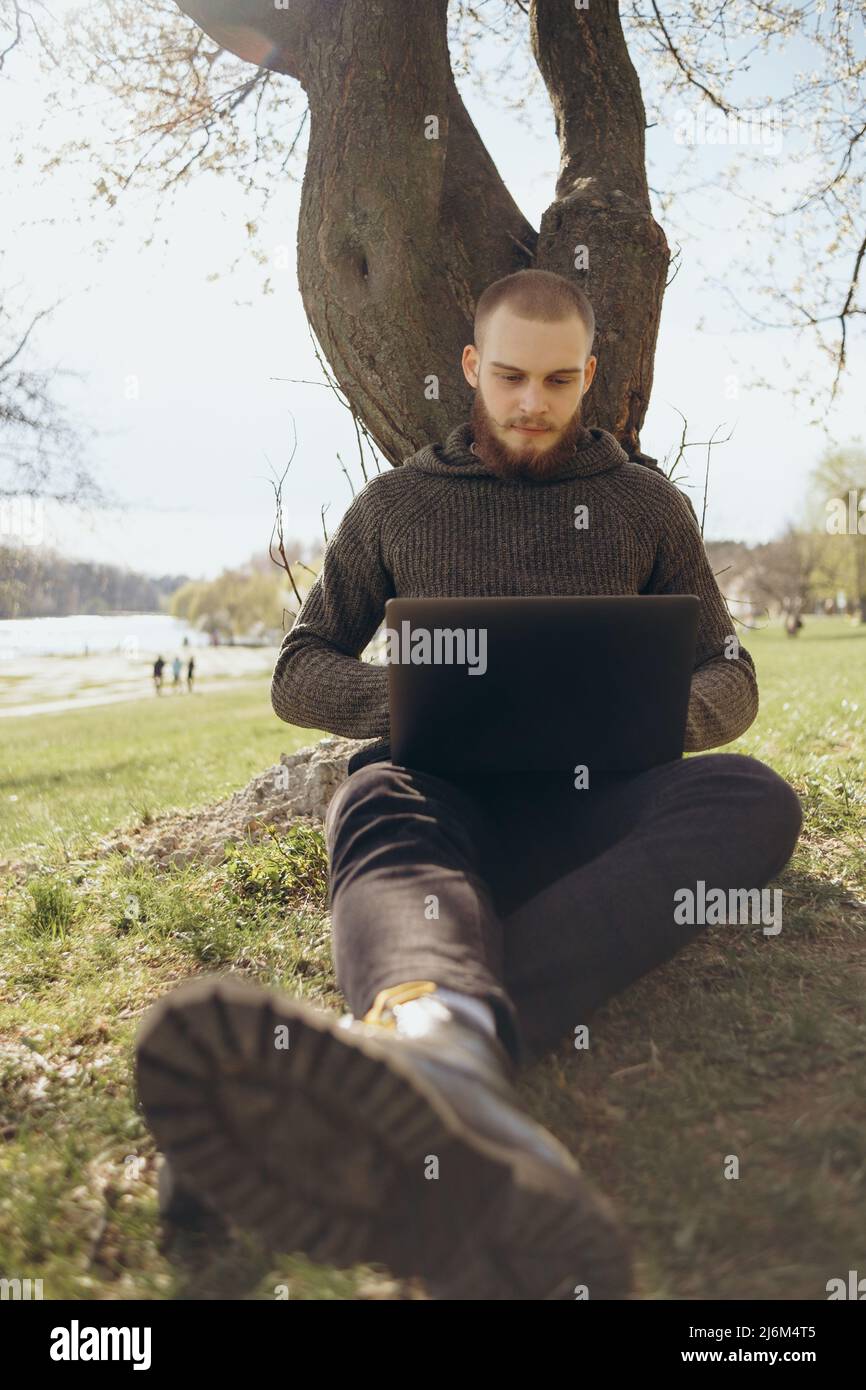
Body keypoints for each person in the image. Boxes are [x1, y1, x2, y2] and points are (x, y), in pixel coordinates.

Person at [136, 269, 803, 1300]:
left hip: (598, 810)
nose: (530, 402)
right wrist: (413, 704)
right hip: (442, 798)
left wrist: (638, 718)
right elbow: (296, 668)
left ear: (588, 377)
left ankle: (412, 1050)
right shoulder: (396, 504)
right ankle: (440, 1042)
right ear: (467, 370)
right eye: (506, 377)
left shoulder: (642, 504)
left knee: (752, 799)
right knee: (373, 796)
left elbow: (730, 670)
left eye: (554, 380)